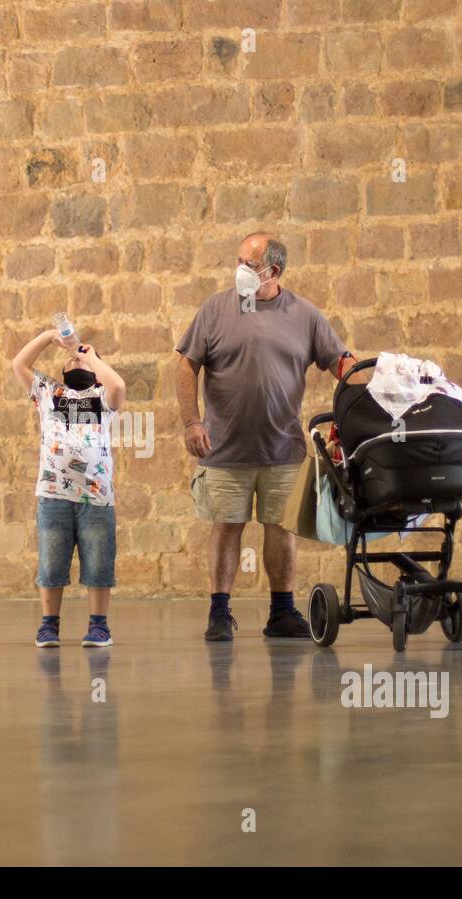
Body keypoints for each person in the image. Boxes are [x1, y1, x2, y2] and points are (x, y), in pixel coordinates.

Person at [175, 232, 361, 642]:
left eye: (249, 264)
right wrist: (192, 422)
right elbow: (187, 366)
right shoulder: (214, 310)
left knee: (281, 529)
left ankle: (281, 612)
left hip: (282, 450)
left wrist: (371, 381)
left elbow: (340, 361)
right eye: (239, 259)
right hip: (223, 448)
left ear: (273, 271)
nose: (240, 269)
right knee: (227, 527)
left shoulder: (305, 315)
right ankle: (219, 613)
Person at [12, 329, 126, 649]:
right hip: (53, 495)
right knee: (51, 563)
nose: (77, 359)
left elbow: (118, 385)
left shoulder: (104, 396)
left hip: (96, 497)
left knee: (99, 563)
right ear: (61, 372)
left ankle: (99, 626)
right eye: (72, 359)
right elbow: (19, 364)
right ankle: (49, 625)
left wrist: (89, 356)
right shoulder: (50, 392)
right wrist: (50, 337)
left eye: (84, 359)